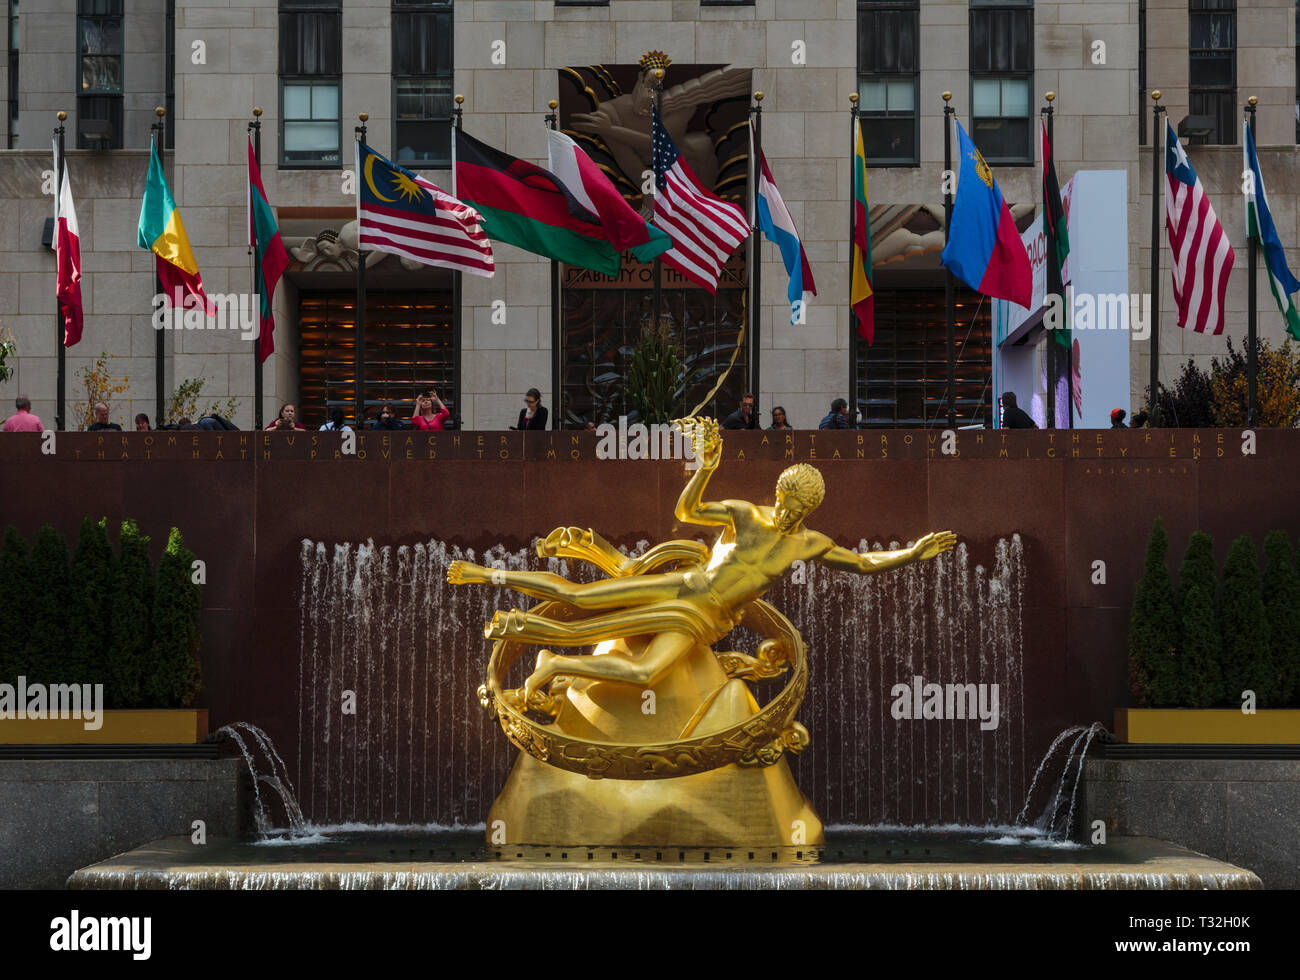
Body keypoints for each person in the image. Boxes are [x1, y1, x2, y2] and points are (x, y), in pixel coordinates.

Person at [448, 417, 955, 702]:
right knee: (577, 596)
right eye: (783, 502)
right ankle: (481, 575)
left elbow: (863, 565)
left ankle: (554, 662)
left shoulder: (811, 544)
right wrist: (704, 468)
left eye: (796, 510)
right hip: (684, 589)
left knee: (648, 675)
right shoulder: (744, 514)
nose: (785, 513)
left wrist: (913, 552)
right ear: (776, 494)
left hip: (705, 622)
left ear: (810, 511)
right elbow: (686, 509)